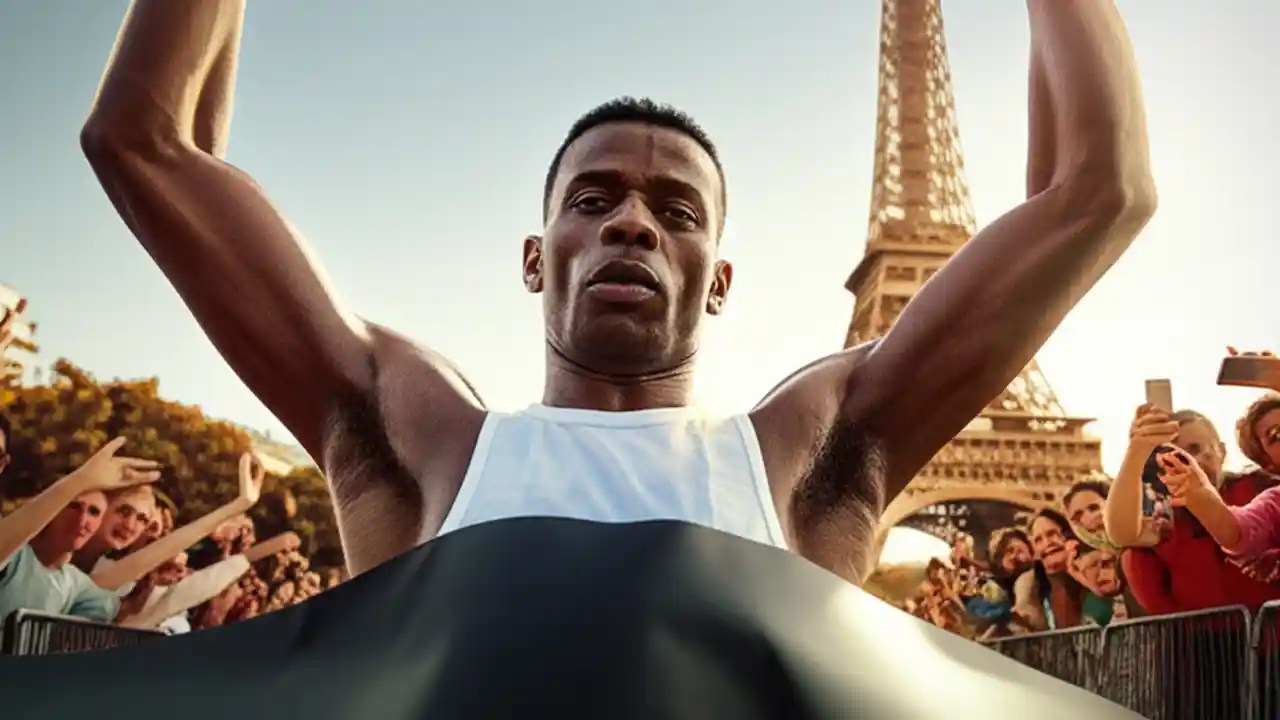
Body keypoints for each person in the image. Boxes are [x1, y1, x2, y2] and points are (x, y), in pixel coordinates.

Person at [80, 0, 1156, 581]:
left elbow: (1097, 190)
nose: (632, 221)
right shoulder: (421, 436)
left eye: (675, 210)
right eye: (592, 200)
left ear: (718, 281)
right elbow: (146, 140)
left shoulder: (813, 449)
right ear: (534, 258)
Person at [0, 438, 161, 623]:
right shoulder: (16, 556)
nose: (82, 520)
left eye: (94, 512)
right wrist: (80, 480)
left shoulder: (75, 583)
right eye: (73, 506)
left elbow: (120, 611)